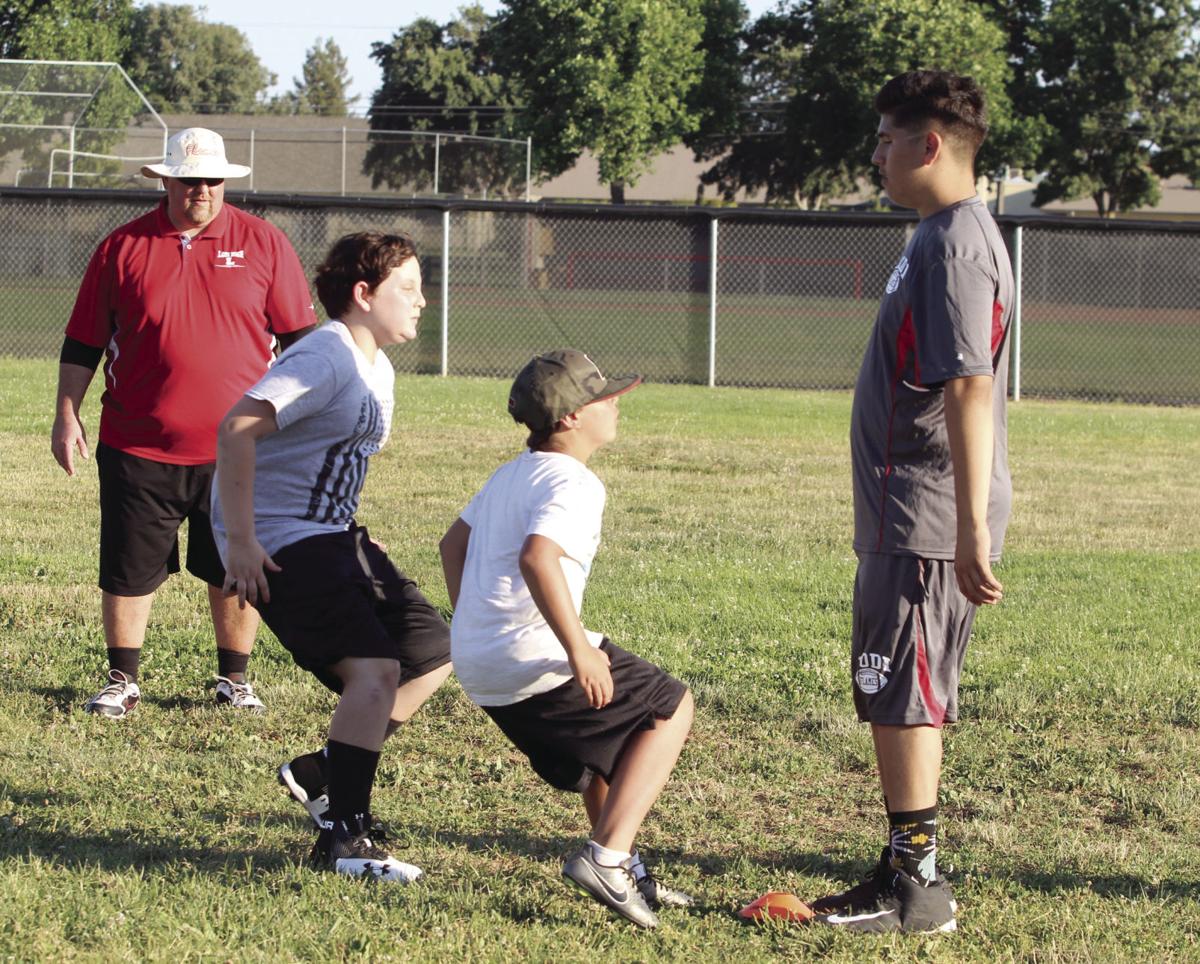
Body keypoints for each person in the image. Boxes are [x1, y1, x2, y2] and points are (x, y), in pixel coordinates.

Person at [804, 70, 1015, 934]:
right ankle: (901, 864)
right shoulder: (935, 233)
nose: (877, 153)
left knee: (906, 689)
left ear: (931, 145)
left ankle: (918, 891)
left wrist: (966, 528)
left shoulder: (956, 244)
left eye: (889, 137)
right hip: (906, 512)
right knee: (896, 686)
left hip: (926, 515)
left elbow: (968, 387)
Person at [51, 127, 317, 718]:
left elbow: (303, 344)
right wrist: (67, 413)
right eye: (189, 179)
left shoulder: (264, 243)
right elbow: (83, 340)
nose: (201, 189)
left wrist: (307, 424)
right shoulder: (121, 247)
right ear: (165, 179)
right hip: (138, 441)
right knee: (127, 566)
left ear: (226, 181)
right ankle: (123, 678)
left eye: (212, 179)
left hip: (241, 449)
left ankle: (234, 680)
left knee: (236, 565)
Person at [213, 231, 453, 882]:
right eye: (408, 288)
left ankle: (323, 771)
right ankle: (345, 836)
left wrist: (349, 532)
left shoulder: (378, 367)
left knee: (431, 650)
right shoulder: (327, 355)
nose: (422, 301)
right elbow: (236, 427)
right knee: (374, 670)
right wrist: (240, 540)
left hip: (327, 530)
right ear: (363, 293)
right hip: (276, 535)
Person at [438, 350, 695, 929]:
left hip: (479, 664)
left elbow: (452, 546)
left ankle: (622, 861)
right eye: (603, 397)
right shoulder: (574, 482)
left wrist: (475, 623)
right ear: (572, 418)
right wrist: (580, 649)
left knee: (605, 751)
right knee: (671, 705)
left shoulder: (510, 473)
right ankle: (605, 859)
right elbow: (539, 557)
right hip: (533, 656)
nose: (616, 404)